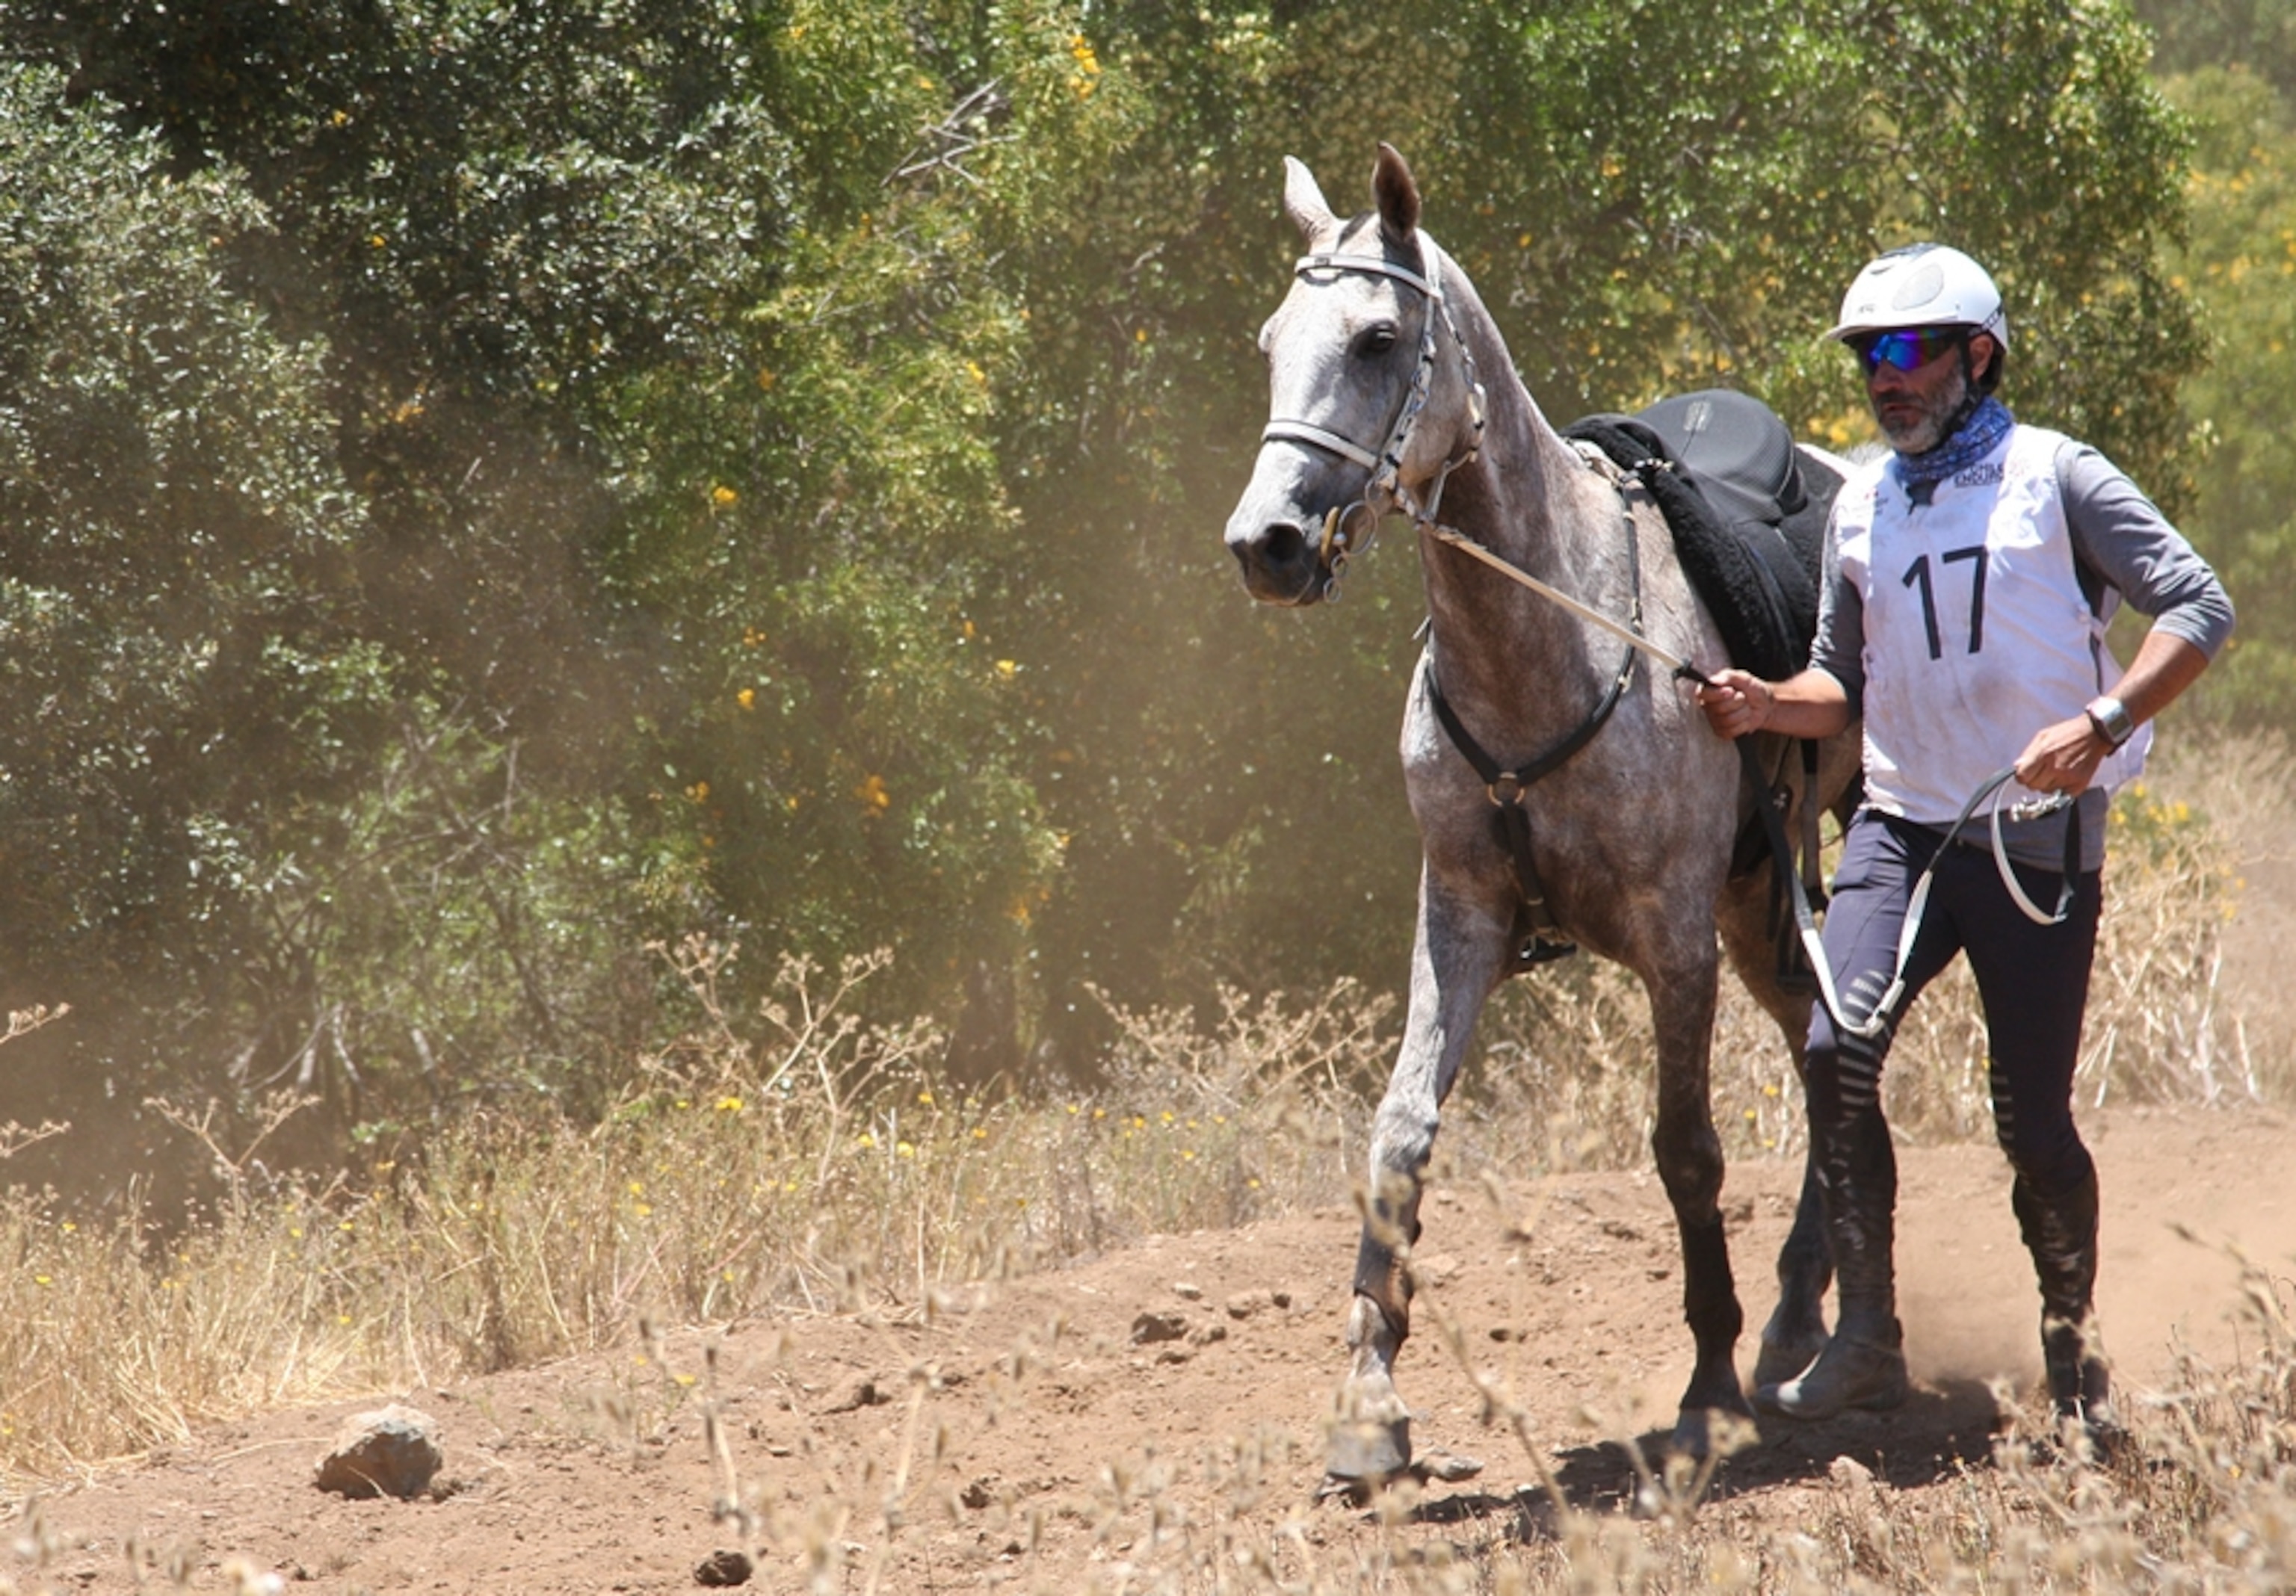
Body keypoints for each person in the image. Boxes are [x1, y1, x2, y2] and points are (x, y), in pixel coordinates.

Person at [1694, 244, 2234, 1442]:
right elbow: (1843, 683)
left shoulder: (2057, 476)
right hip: (1901, 826)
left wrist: (2101, 724)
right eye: (1868, 357)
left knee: (2031, 1123)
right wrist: (1764, 704)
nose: (1884, 378)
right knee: (1838, 1049)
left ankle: (2075, 1355)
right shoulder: (1859, 504)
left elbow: (2200, 604)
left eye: (1906, 351)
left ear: (1975, 356)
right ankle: (1867, 1343)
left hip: (2033, 841)